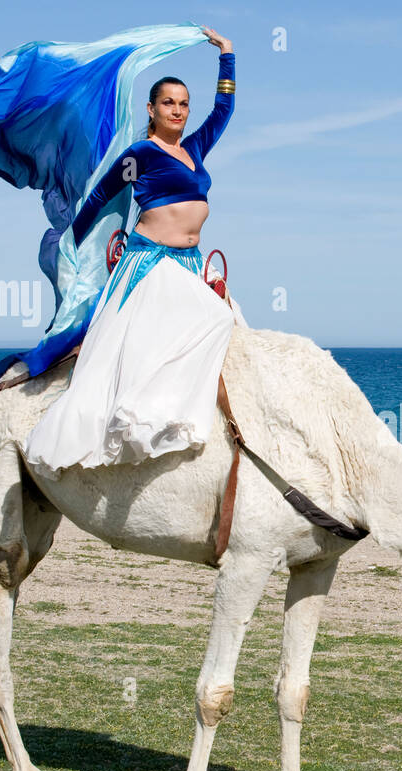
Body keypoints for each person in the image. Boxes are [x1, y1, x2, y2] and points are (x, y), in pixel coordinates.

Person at [21, 24, 248, 480]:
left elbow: (223, 110)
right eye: (169, 102)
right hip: (152, 264)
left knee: (232, 332)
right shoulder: (140, 154)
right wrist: (74, 239)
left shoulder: (195, 148)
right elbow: (102, 195)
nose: (178, 110)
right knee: (215, 321)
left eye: (184, 104)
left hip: (189, 264)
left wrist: (227, 55)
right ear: (151, 108)